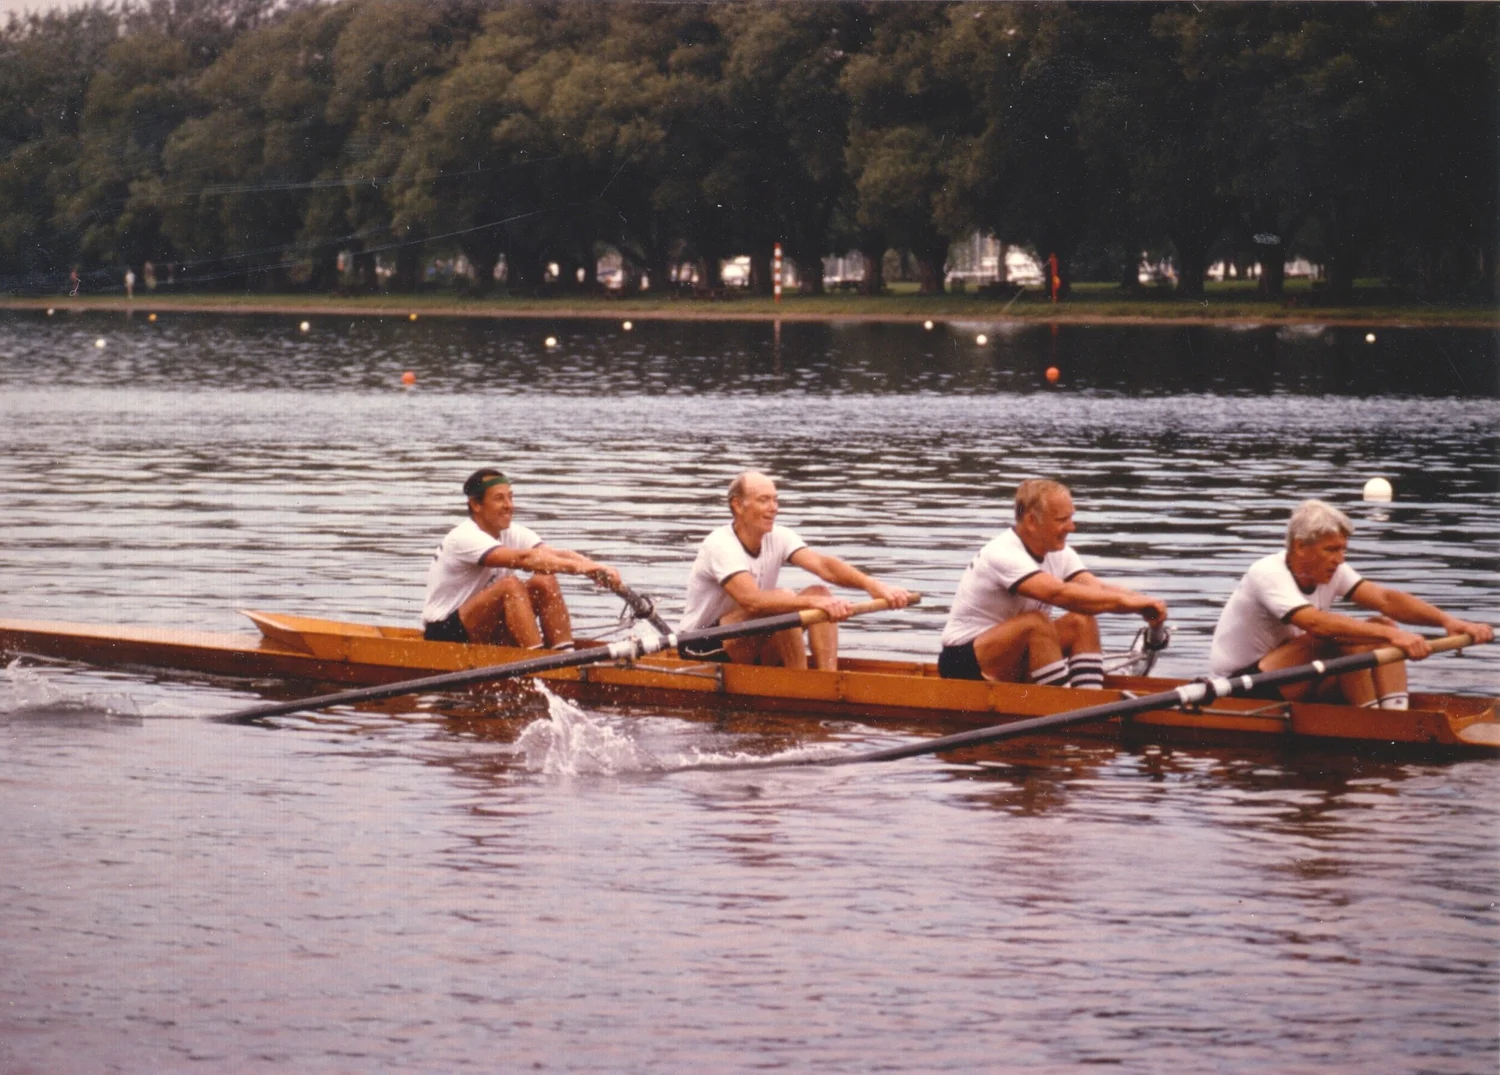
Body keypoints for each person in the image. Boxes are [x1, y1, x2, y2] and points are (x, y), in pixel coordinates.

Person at [1209, 499, 1492, 708]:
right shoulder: (1267, 573)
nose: (1340, 559)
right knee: (1338, 637)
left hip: (1292, 678)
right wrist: (1393, 635)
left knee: (1379, 625)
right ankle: (1374, 725)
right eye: (1331, 549)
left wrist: (1448, 621)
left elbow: (1385, 599)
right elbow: (1316, 624)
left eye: (1343, 549)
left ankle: (1393, 716)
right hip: (1240, 688)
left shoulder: (1332, 570)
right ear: (1300, 546)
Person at [938, 479, 1168, 687]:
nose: (1072, 527)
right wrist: (1127, 603)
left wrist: (1143, 602)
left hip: (1011, 656)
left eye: (1071, 518)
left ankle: (1089, 701)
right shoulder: (1002, 553)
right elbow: (1059, 594)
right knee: (1036, 623)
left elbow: (1095, 589)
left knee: (1082, 619)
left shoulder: (1059, 552)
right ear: (1031, 521)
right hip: (962, 663)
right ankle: (1064, 705)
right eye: (1062, 520)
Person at [677, 470, 915, 670]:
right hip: (700, 646)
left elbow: (824, 566)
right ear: (738, 506)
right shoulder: (720, 544)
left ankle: (827, 681)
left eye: (775, 500)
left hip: (747, 638)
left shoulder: (778, 536)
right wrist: (810, 603)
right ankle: (800, 683)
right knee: (787, 599)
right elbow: (751, 601)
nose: (774, 508)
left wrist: (874, 586)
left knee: (820, 592)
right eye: (764, 500)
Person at [421, 468, 620, 649]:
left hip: (484, 627)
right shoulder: (464, 537)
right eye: (499, 499)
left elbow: (554, 555)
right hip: (444, 635)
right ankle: (537, 665)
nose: (509, 506)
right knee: (510, 586)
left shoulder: (511, 532)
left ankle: (566, 657)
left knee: (545, 580)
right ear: (476, 505)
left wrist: (596, 568)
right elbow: (524, 559)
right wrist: (582, 569)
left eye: (510, 497)